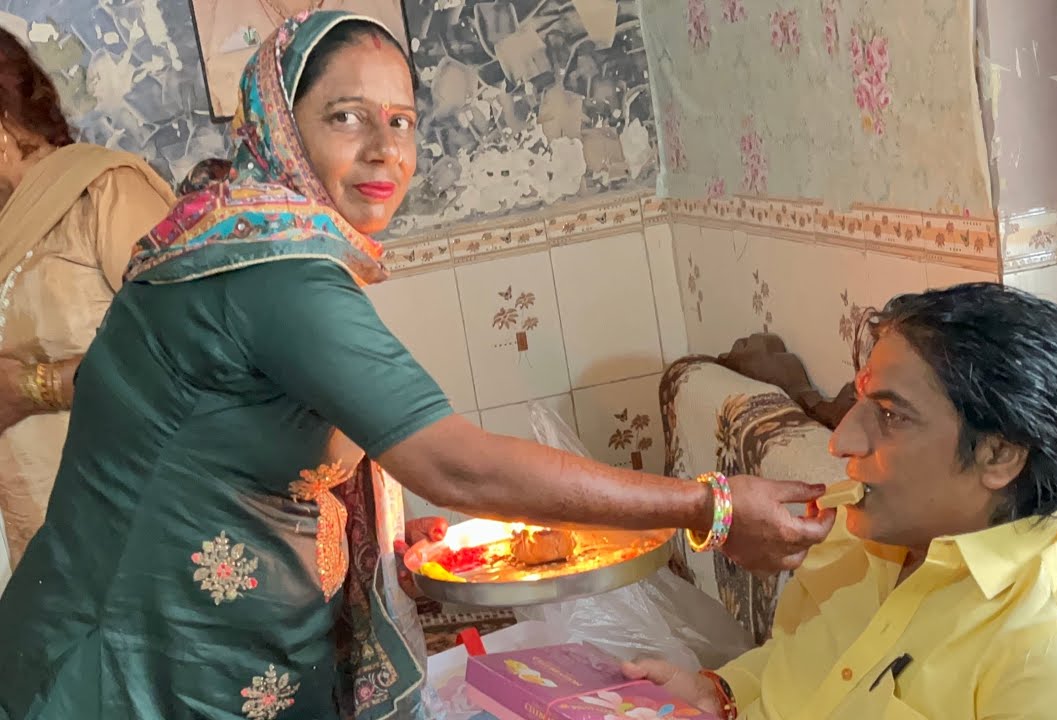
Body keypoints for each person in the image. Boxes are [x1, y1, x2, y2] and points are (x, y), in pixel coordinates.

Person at [0, 11, 834, 720]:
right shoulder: (275, 274)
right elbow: (456, 465)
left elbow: (253, 438)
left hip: (171, 643)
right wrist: (709, 506)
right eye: (346, 117)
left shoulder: (234, 230)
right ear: (280, 127)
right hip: (133, 671)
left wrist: (387, 530)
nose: (383, 150)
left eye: (400, 121)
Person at [625, 283, 1057, 719]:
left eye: (890, 415)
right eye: (861, 401)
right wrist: (718, 695)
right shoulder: (868, 535)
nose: (841, 441)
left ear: (999, 454)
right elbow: (802, 667)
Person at [0, 28, 177, 584]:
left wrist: (34, 386)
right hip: (37, 556)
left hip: (137, 533)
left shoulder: (102, 192)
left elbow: (192, 351)